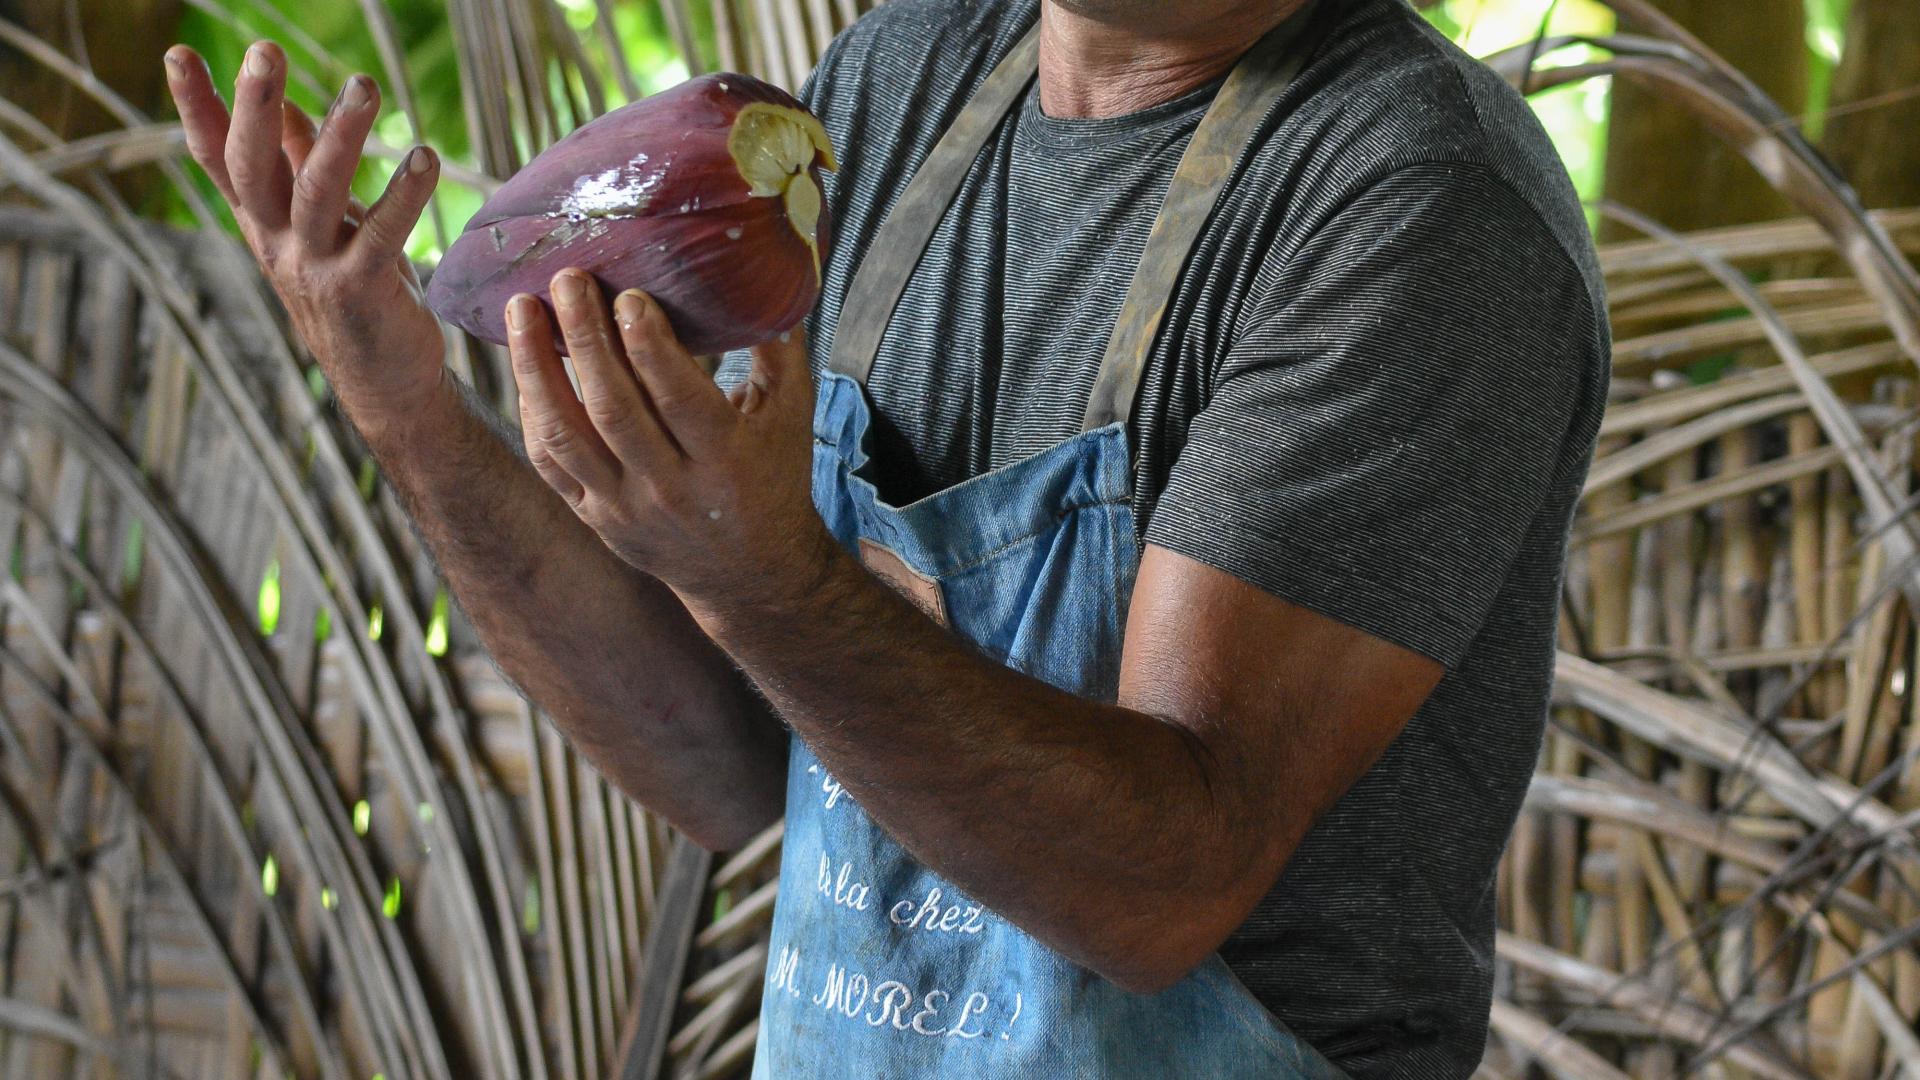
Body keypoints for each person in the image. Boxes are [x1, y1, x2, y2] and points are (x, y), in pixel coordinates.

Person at [165, 0, 1608, 1074]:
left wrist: (767, 583)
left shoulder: (1414, 203)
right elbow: (737, 763)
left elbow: (1168, 885)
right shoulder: (898, 84)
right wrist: (407, 408)